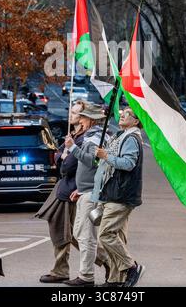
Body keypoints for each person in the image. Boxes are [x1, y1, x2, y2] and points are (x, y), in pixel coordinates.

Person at [91, 107, 145, 287]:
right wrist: (104, 156)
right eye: (122, 113)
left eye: (127, 114)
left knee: (105, 234)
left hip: (121, 195)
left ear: (136, 121)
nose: (122, 115)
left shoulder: (130, 138)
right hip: (113, 193)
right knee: (117, 238)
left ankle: (132, 267)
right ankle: (115, 279)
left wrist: (106, 156)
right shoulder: (121, 136)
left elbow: (128, 164)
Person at [35, 100, 87, 284]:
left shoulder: (82, 140)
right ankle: (60, 270)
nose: (70, 115)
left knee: (72, 235)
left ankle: (113, 264)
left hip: (72, 191)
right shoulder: (73, 135)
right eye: (71, 111)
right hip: (64, 189)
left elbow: (67, 167)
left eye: (74, 112)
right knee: (63, 232)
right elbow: (57, 157)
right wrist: (62, 155)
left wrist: (64, 156)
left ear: (83, 118)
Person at [63, 103, 110, 287]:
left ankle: (87, 276)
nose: (80, 120)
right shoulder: (95, 135)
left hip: (91, 193)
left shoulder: (94, 138)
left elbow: (93, 162)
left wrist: (73, 148)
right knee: (80, 233)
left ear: (90, 120)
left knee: (85, 236)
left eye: (82, 117)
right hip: (87, 191)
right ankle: (110, 265)